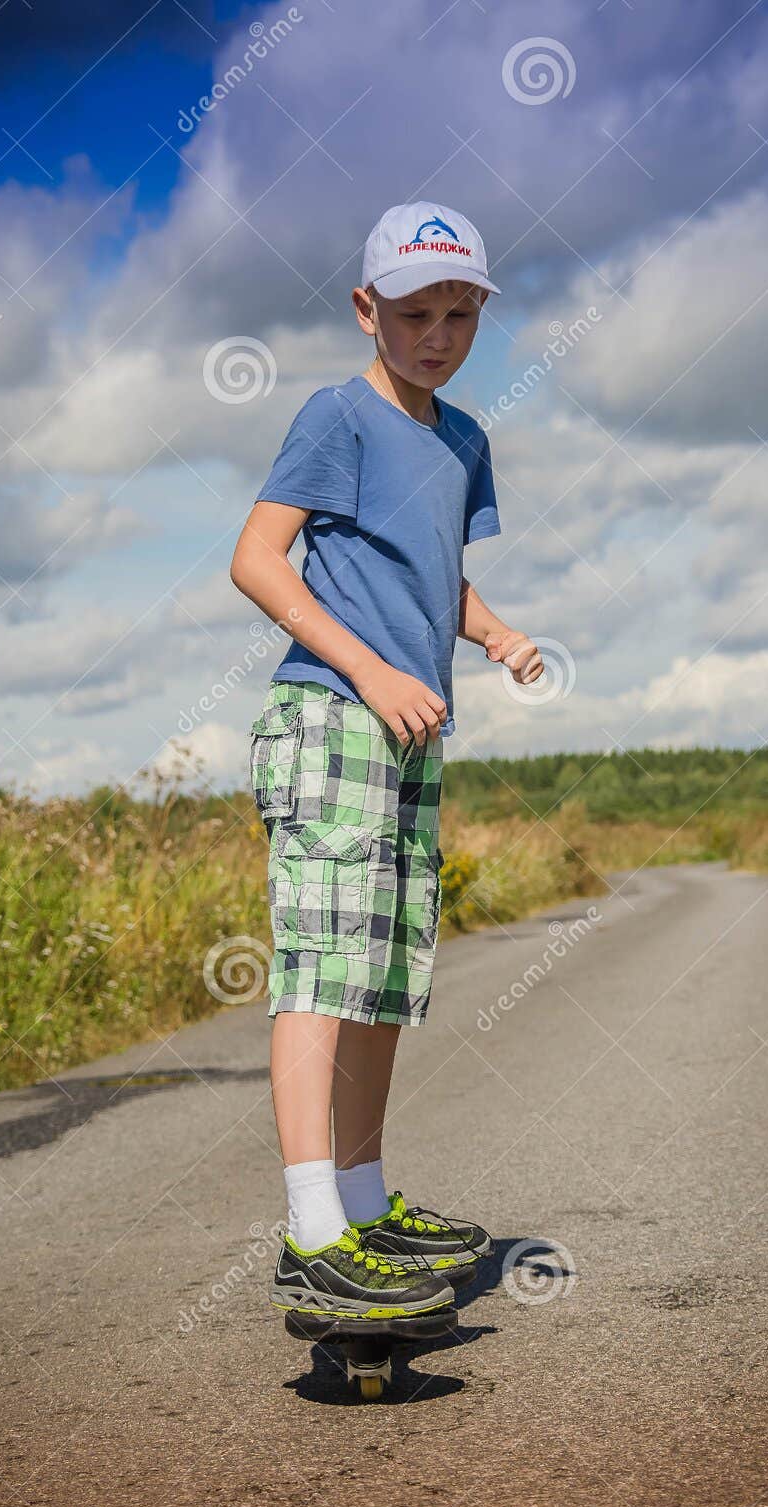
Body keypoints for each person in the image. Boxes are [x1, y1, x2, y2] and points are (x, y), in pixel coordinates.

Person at [229, 202, 543, 1321]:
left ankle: (363, 1203)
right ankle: (313, 1231)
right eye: (414, 315)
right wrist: (369, 670)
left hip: (409, 732)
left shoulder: (462, 440)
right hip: (330, 718)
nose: (438, 337)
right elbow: (257, 560)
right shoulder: (338, 417)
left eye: (460, 315)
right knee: (321, 971)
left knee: (380, 976)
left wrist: (493, 633)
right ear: (367, 309)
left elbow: (434, 573)